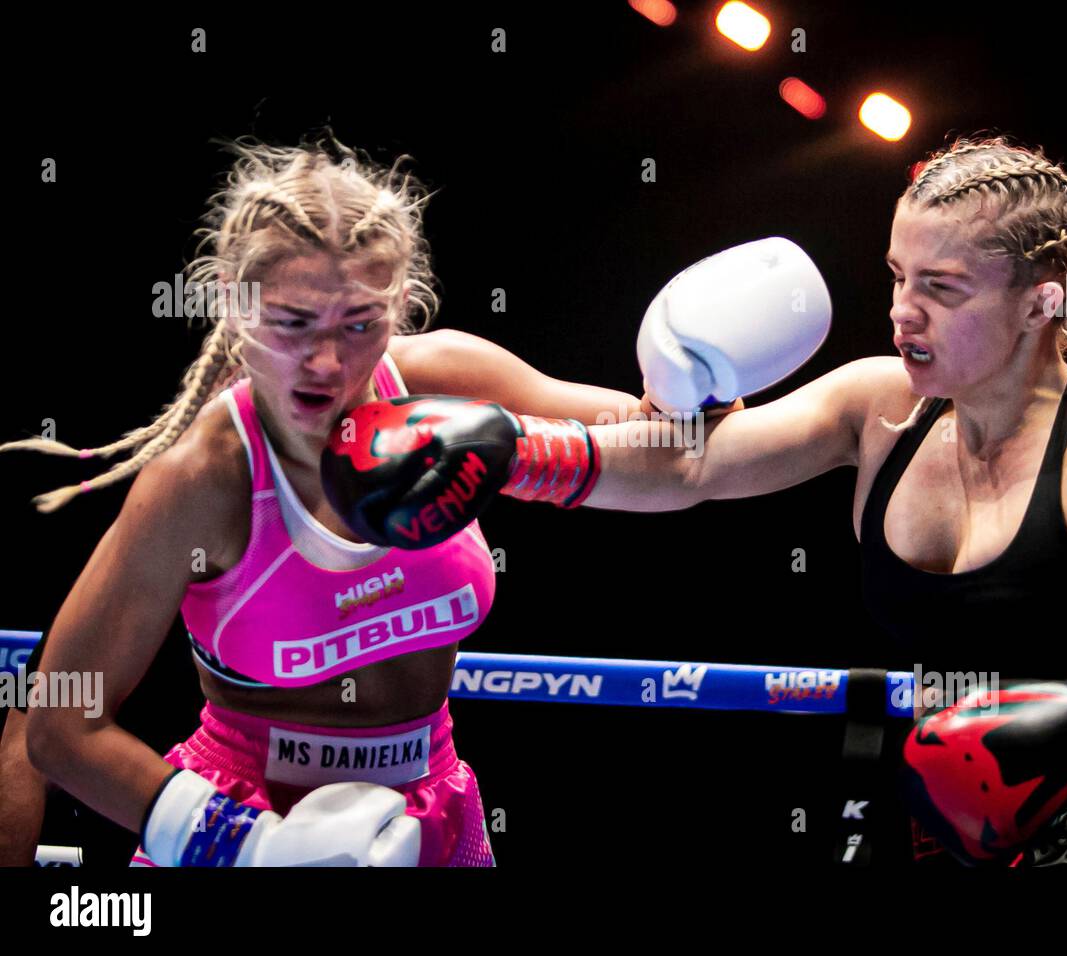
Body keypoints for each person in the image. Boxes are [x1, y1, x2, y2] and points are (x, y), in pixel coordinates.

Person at [382, 134, 1067, 866]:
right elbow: (688, 464)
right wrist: (510, 456)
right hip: (918, 831)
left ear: (1039, 302)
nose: (902, 311)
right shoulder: (876, 402)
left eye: (941, 288)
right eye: (899, 275)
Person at [2, 136, 656, 866]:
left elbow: (659, 439)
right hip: (239, 809)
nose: (326, 361)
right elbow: (58, 723)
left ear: (401, 305)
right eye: (292, 321)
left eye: (358, 323)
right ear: (233, 301)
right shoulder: (206, 476)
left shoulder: (448, 382)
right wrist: (245, 846)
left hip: (431, 802)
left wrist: (697, 375)